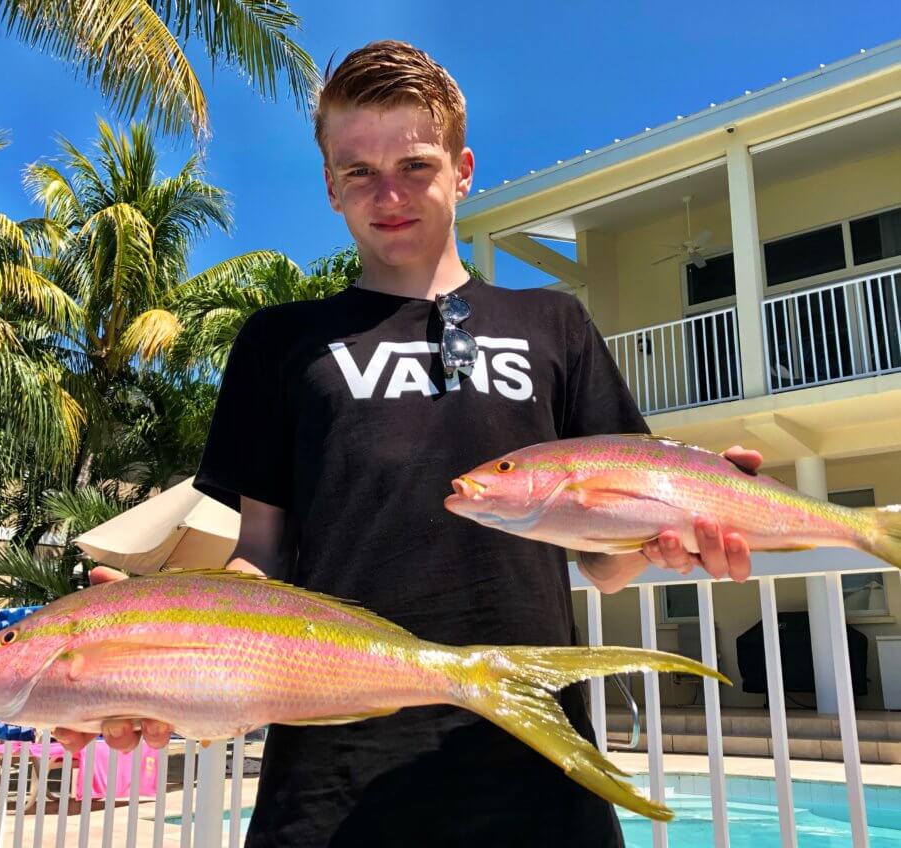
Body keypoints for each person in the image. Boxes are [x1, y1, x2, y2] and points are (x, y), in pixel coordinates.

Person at [55, 40, 761, 847]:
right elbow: (262, 556)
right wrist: (153, 642)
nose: (388, 193)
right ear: (329, 187)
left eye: (416, 166)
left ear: (462, 170)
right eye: (359, 172)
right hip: (329, 782)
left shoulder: (554, 324)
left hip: (532, 771)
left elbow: (604, 561)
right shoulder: (280, 341)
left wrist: (674, 535)